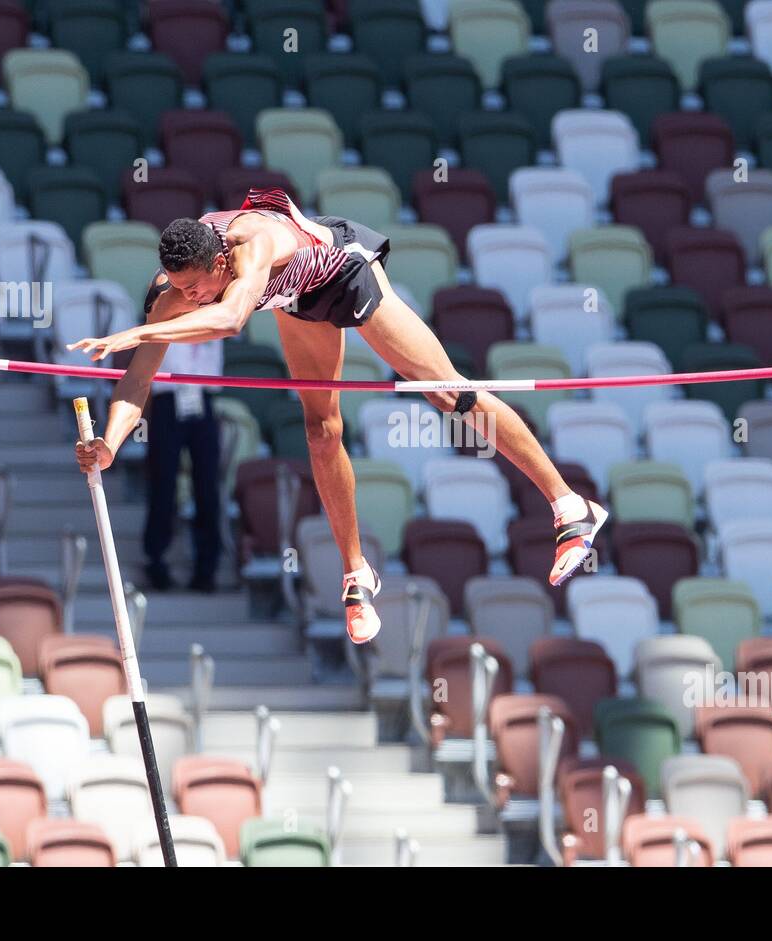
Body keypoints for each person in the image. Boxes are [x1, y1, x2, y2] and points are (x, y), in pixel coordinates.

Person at [70, 187, 608, 644]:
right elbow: (138, 379)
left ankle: (570, 506)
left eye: (195, 288)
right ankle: (357, 576)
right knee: (320, 430)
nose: (187, 298)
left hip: (342, 270)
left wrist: (138, 332)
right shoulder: (172, 295)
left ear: (219, 262)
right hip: (297, 299)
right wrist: (112, 445)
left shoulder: (250, 242)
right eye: (179, 289)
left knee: (448, 394)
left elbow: (232, 318)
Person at [142, 339, 222, 593]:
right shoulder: (164, 305)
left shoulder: (216, 308)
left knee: (207, 485)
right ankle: (156, 561)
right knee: (163, 482)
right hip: (167, 398)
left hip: (202, 396)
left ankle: (207, 568)